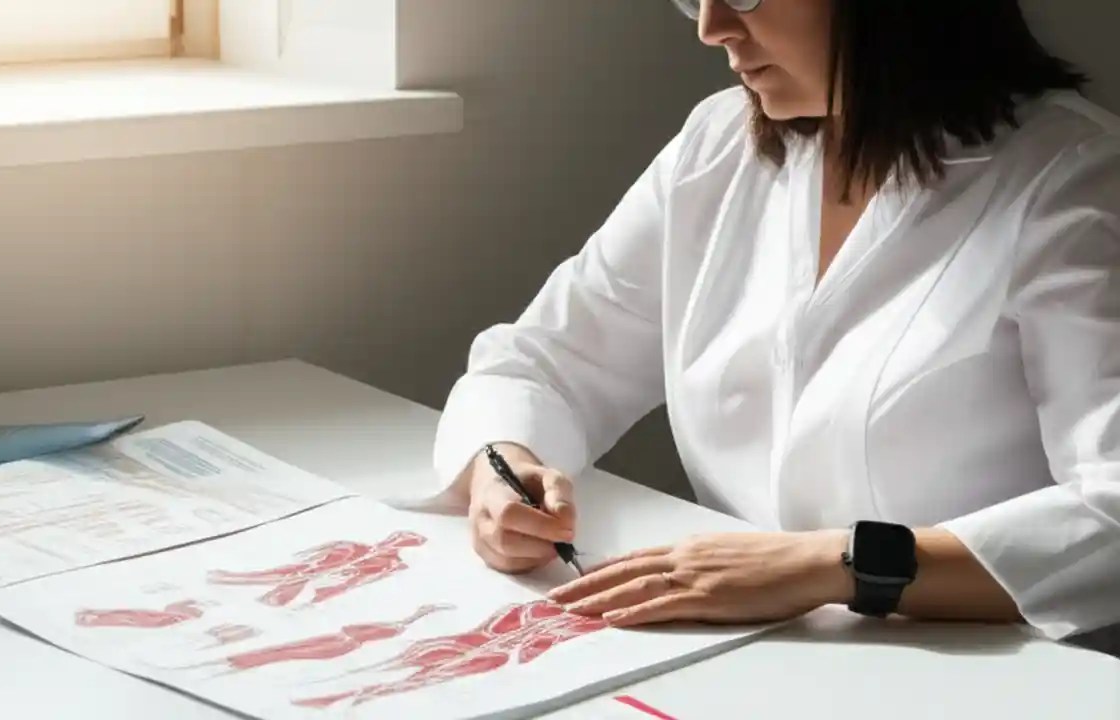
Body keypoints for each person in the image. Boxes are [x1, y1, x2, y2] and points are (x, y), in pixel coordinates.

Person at [432, 0, 1120, 649]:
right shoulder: (717, 147)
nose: (711, 26)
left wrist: (837, 565)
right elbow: (544, 359)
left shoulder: (1075, 182)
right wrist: (504, 465)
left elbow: (1111, 512)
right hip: (744, 656)